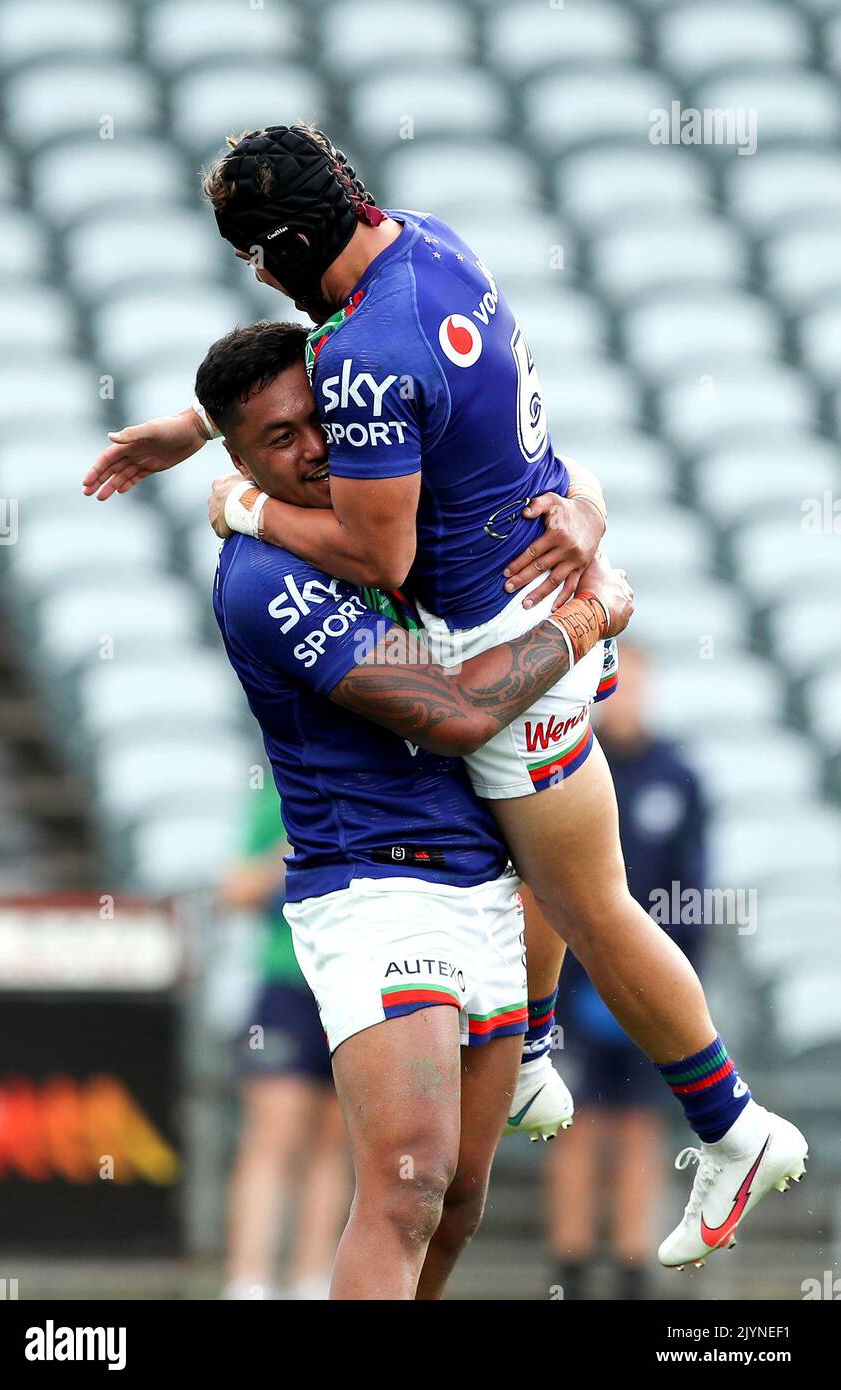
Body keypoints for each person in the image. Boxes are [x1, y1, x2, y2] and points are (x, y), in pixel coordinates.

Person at [82, 126, 807, 1267]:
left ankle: (726, 1125)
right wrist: (196, 427)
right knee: (541, 885)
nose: (260, 281)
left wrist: (244, 505)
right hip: (530, 569)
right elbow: (349, 359)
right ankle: (532, 1058)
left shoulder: (362, 370)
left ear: (281, 246)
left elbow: (376, 559)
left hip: (509, 646)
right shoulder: (426, 246)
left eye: (255, 259)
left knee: (591, 904)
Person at [199, 319, 632, 1299]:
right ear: (237, 456)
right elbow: (453, 713)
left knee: (458, 1199)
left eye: (318, 420)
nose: (311, 446)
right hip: (377, 885)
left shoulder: (393, 504)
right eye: (275, 440)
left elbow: (563, 474)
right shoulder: (267, 576)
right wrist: (584, 616)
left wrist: (585, 519)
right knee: (406, 1186)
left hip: (479, 884)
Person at [543, 644, 710, 1299]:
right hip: (574, 975)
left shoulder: (678, 776)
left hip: (649, 978)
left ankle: (635, 1267)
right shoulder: (570, 761)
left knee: (641, 1124)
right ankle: (572, 1268)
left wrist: (674, 978)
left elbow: (695, 884)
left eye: (638, 684)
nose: (626, 697)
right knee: (578, 1122)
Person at [218, 782, 350, 1300]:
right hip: (286, 984)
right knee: (272, 1135)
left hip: (347, 985)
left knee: (333, 1143)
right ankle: (248, 1281)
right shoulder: (275, 792)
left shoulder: (368, 784)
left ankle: (313, 1281)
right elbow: (236, 890)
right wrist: (301, 842)